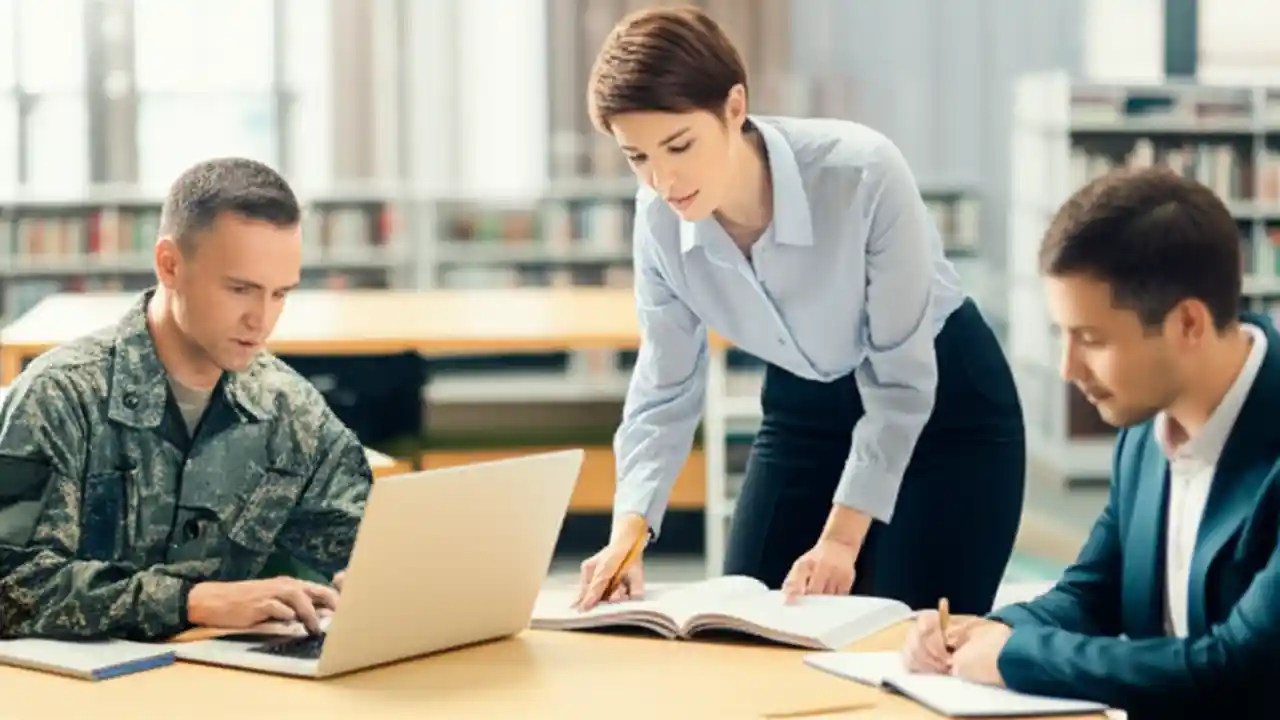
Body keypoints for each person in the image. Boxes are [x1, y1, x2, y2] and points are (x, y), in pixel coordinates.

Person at [574, 5, 1025, 614]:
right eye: (638, 157)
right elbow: (666, 384)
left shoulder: (861, 172)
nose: (663, 180)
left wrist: (841, 539)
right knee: (741, 621)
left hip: (942, 407)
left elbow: (901, 384)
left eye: (679, 145)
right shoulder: (657, 220)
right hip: (806, 408)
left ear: (735, 107)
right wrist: (628, 533)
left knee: (900, 637)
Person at [901, 167, 1280, 719]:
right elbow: (1091, 594)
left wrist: (1015, 656)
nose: (1068, 368)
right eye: (1064, 335)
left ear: (1188, 324)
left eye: (1092, 339)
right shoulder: (1147, 429)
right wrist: (979, 634)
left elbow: (1234, 668)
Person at [0, 158, 372, 641]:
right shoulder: (60, 398)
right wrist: (191, 601)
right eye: (240, 289)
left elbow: (367, 542)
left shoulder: (290, 410)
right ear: (169, 265)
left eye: (280, 294)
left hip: (225, 678)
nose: (261, 319)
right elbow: (10, 585)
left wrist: (376, 579)